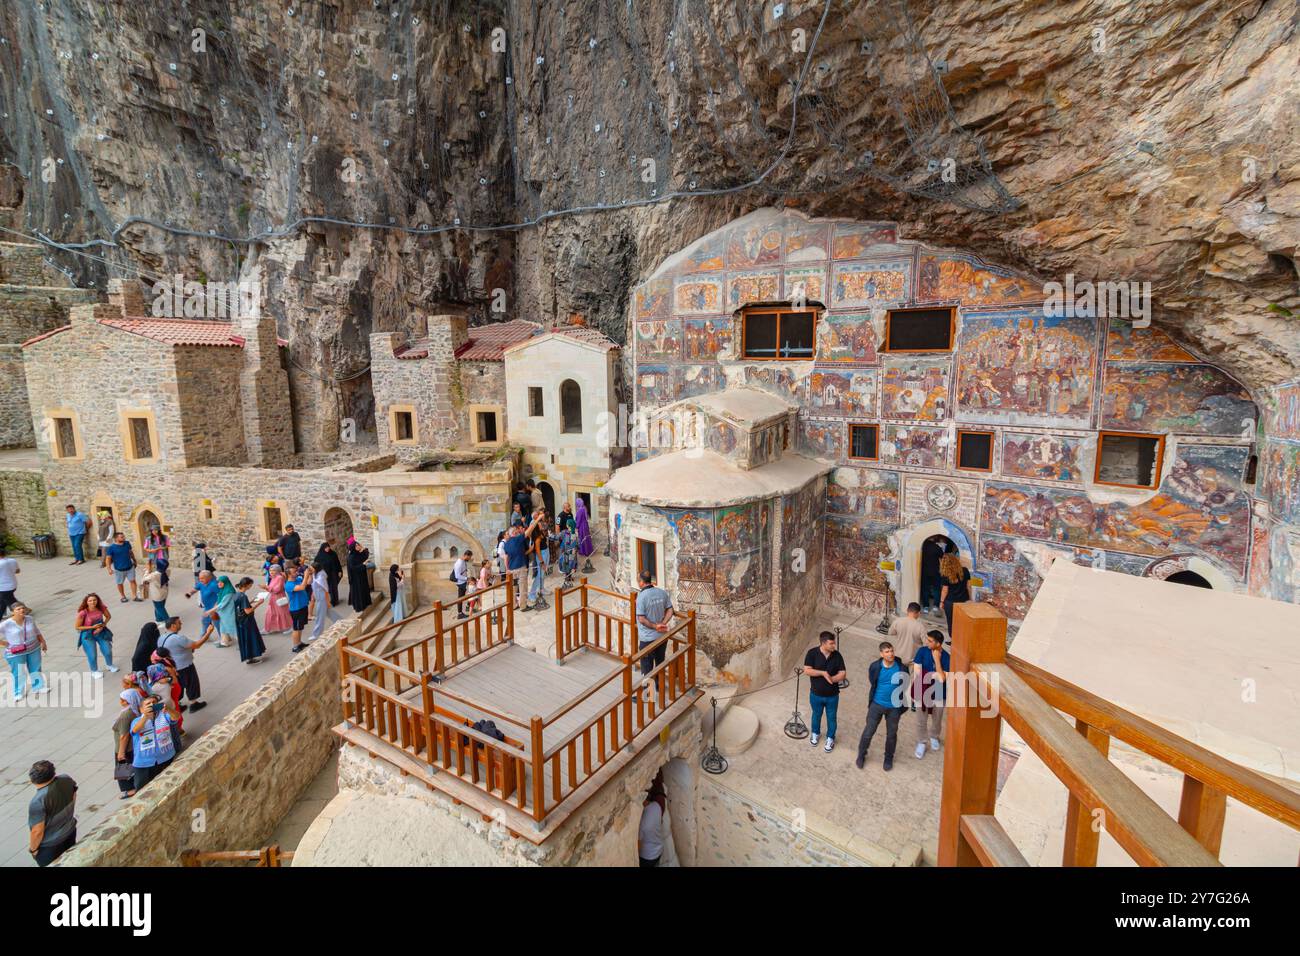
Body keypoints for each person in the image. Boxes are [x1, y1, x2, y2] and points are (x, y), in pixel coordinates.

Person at [855, 641, 910, 771]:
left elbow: (905, 684)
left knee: (891, 735)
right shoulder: (875, 666)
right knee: (868, 732)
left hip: (894, 707)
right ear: (881, 654)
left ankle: (888, 758)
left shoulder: (902, 668)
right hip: (877, 705)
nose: (890, 654)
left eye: (891, 651)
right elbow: (872, 681)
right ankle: (861, 755)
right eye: (887, 652)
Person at [803, 630, 846, 752]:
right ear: (823, 643)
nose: (834, 646)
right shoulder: (812, 653)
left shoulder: (837, 655)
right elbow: (807, 670)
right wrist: (822, 673)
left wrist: (831, 679)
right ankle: (815, 733)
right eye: (831, 643)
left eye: (834, 643)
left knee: (831, 718)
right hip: (815, 694)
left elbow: (842, 673)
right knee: (816, 715)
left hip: (832, 695)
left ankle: (830, 738)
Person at [27, 761, 77, 866]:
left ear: (32, 779)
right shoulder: (66, 779)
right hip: (70, 832)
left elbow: (37, 831)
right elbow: (74, 796)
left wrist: (33, 850)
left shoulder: (38, 801)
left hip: (50, 846)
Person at [911, 629, 950, 759]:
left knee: (937, 719)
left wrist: (937, 660)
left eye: (930, 641)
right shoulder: (922, 651)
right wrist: (936, 675)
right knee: (921, 719)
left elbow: (943, 679)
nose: (927, 642)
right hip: (922, 689)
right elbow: (917, 671)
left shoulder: (947, 657)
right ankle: (922, 741)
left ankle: (934, 736)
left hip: (939, 692)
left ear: (938, 644)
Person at [634, 570, 675, 692]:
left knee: (647, 667)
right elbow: (670, 610)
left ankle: (649, 694)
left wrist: (654, 626)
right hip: (661, 637)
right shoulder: (661, 592)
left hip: (647, 639)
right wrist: (663, 623)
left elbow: (641, 619)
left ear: (641, 582)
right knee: (659, 663)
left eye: (638, 580)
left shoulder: (641, 597)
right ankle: (658, 686)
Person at [158, 616, 210, 711]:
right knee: (191, 683)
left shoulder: (161, 637)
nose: (181, 624)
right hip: (184, 666)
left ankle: (177, 705)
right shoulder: (178, 638)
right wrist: (208, 632)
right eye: (179, 623)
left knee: (178, 685)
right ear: (173, 626)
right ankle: (194, 704)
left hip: (171, 667)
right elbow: (197, 645)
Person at [130, 695, 177, 792]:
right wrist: (145, 717)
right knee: (143, 790)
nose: (152, 705)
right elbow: (135, 730)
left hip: (165, 758)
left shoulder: (164, 715)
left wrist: (169, 709)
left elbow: (176, 717)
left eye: (154, 702)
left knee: (167, 788)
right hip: (144, 763)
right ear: (141, 709)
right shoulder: (136, 721)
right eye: (148, 704)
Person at [1, 602, 48, 700]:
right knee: (19, 672)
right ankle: (18, 692)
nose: (21, 610)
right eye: (18, 609)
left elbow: (36, 631)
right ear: (13, 612)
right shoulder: (6, 624)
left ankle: (38, 687)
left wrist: (43, 641)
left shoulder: (29, 619)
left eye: (22, 608)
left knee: (36, 668)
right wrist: (4, 643)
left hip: (34, 648)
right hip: (16, 652)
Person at [74, 592, 118, 676]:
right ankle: (94, 671)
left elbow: (108, 616)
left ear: (97, 601)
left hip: (101, 631)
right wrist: (92, 627)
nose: (92, 602)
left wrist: (103, 625)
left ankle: (109, 665)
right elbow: (77, 627)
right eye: (90, 601)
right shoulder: (83, 613)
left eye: (94, 600)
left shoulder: (101, 608)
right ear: (86, 602)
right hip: (87, 635)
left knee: (107, 650)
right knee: (92, 654)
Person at [232, 577, 267, 664]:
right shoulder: (243, 596)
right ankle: (250, 658)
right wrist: (259, 603)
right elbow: (248, 611)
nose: (251, 586)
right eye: (250, 585)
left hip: (239, 620)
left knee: (244, 638)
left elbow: (241, 606)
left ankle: (248, 657)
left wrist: (251, 601)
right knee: (250, 638)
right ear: (246, 585)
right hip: (247, 621)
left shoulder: (237, 594)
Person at [112, 690, 140, 799]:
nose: (121, 702)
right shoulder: (134, 710)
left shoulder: (125, 714)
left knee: (123, 769)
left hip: (125, 748)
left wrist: (121, 752)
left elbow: (124, 735)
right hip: (132, 746)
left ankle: (130, 789)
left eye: (123, 700)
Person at [940, 552, 972, 637]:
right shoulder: (965, 571)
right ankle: (961, 639)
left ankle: (953, 639)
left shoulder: (946, 575)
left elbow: (944, 590)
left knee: (951, 621)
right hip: (963, 600)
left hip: (950, 602)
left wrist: (941, 602)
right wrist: (970, 598)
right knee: (961, 621)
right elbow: (968, 586)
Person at [638, 771, 667, 867]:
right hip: (658, 850)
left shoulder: (641, 823)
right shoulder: (656, 806)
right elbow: (661, 821)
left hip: (647, 857)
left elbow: (638, 846)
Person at [888, 601, 928, 670]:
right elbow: (926, 644)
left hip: (898, 657)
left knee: (898, 679)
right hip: (913, 660)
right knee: (915, 680)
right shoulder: (921, 626)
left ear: (907, 611)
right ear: (918, 613)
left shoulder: (898, 621)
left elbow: (891, 633)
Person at [104, 531, 141, 603]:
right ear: (116, 538)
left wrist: (134, 560)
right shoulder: (111, 548)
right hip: (119, 569)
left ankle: (134, 596)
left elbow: (130, 552)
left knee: (132, 581)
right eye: (122, 537)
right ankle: (123, 596)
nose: (124, 538)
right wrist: (109, 569)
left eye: (123, 536)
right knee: (120, 583)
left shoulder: (127, 543)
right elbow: (108, 559)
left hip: (130, 567)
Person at [204, 576, 238, 649]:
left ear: (225, 582)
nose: (218, 584)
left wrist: (210, 611)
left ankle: (244, 644)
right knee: (223, 628)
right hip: (223, 614)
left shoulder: (229, 592)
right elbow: (219, 600)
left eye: (221, 582)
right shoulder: (223, 590)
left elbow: (222, 604)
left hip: (229, 614)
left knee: (233, 630)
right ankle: (224, 642)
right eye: (218, 582)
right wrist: (214, 607)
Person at [524, 511, 549, 611]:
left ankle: (541, 589)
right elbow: (538, 551)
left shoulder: (542, 534)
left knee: (543, 574)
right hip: (541, 555)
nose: (541, 525)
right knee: (539, 575)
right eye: (539, 525)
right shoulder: (537, 538)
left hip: (545, 552)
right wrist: (542, 562)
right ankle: (532, 594)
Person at [186, 569, 221, 638]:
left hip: (215, 609)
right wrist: (189, 593)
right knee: (204, 621)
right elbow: (195, 589)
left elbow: (221, 596)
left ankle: (223, 638)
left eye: (202, 578)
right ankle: (204, 636)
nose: (200, 580)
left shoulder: (214, 585)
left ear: (209, 578)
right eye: (199, 578)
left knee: (217, 624)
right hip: (207, 608)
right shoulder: (201, 583)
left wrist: (214, 608)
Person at [502, 526, 528, 610]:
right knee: (522, 587)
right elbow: (529, 530)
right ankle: (523, 606)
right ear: (514, 533)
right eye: (517, 531)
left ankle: (513, 605)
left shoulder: (506, 544)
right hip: (520, 568)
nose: (518, 532)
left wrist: (507, 569)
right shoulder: (518, 539)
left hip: (512, 569)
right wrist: (537, 519)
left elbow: (506, 557)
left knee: (513, 588)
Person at [287, 565, 312, 652]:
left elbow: (308, 582)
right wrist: (305, 576)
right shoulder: (288, 585)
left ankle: (299, 643)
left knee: (300, 627)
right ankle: (295, 646)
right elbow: (302, 587)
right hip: (296, 609)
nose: (297, 573)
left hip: (303, 606)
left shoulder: (297, 579)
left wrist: (310, 574)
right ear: (289, 575)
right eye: (294, 572)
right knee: (296, 628)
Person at [308, 562, 334, 642]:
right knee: (329, 613)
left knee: (320, 616)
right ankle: (341, 622)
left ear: (316, 568)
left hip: (322, 598)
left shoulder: (321, 576)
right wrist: (309, 574)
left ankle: (317, 634)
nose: (310, 569)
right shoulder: (314, 574)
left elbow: (326, 590)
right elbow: (309, 583)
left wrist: (328, 601)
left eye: (311, 568)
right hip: (318, 597)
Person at [264, 563, 293, 634]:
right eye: (270, 570)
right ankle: (269, 628)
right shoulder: (273, 577)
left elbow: (278, 589)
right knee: (270, 613)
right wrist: (267, 588)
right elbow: (272, 589)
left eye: (273, 570)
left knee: (283, 613)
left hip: (279, 598)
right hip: (273, 598)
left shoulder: (280, 578)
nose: (271, 572)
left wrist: (267, 587)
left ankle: (290, 627)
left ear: (277, 571)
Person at [920, 536, 945, 613]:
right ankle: (936, 606)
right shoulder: (936, 547)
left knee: (925, 589)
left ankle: (926, 607)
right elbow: (942, 555)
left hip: (924, 571)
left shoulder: (922, 545)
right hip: (935, 571)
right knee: (937, 589)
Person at [141, 558, 171, 622]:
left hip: (156, 595)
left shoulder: (153, 576)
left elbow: (144, 579)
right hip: (164, 592)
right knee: (159, 607)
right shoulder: (167, 571)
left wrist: (147, 570)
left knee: (160, 608)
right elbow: (157, 571)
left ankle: (169, 622)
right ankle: (158, 619)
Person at [346, 540, 372, 614]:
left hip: (361, 575)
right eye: (356, 546)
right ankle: (360, 606)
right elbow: (353, 568)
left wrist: (362, 548)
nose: (358, 546)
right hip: (356, 578)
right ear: (353, 547)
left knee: (364, 589)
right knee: (359, 592)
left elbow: (365, 555)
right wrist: (363, 564)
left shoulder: (358, 554)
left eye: (358, 545)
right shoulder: (351, 557)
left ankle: (365, 603)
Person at [315, 539, 343, 606]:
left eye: (328, 547)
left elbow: (337, 562)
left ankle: (334, 601)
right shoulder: (319, 556)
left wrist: (339, 570)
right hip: (324, 575)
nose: (328, 549)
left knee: (333, 587)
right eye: (326, 548)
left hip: (333, 573)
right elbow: (316, 566)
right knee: (326, 588)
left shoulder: (333, 554)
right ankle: (325, 602)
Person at [575, 497, 594, 568]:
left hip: (582, 526)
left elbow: (578, 520)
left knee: (582, 538)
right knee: (586, 538)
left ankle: (584, 551)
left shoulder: (580, 510)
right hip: (585, 525)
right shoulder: (584, 508)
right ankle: (588, 550)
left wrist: (576, 526)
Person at [452, 550, 472, 618]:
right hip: (461, 583)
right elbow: (457, 576)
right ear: (466, 556)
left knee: (462, 598)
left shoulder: (463, 561)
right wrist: (467, 578)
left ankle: (463, 610)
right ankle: (460, 613)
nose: (470, 559)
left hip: (463, 582)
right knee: (460, 598)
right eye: (469, 557)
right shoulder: (459, 563)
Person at [0, 548, 19, 619]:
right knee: (2, 601)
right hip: (13, 584)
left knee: (12, 602)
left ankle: (24, 611)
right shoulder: (13, 560)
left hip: (4, 587)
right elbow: (17, 571)